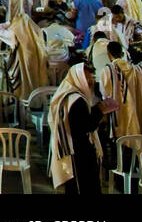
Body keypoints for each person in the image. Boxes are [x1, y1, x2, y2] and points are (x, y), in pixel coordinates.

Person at [49, 63, 119, 194]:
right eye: (86, 78)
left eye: (91, 77)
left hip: (72, 149)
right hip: (79, 151)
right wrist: (100, 111)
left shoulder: (67, 94)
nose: (90, 81)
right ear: (78, 78)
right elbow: (84, 126)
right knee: (84, 186)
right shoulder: (77, 99)